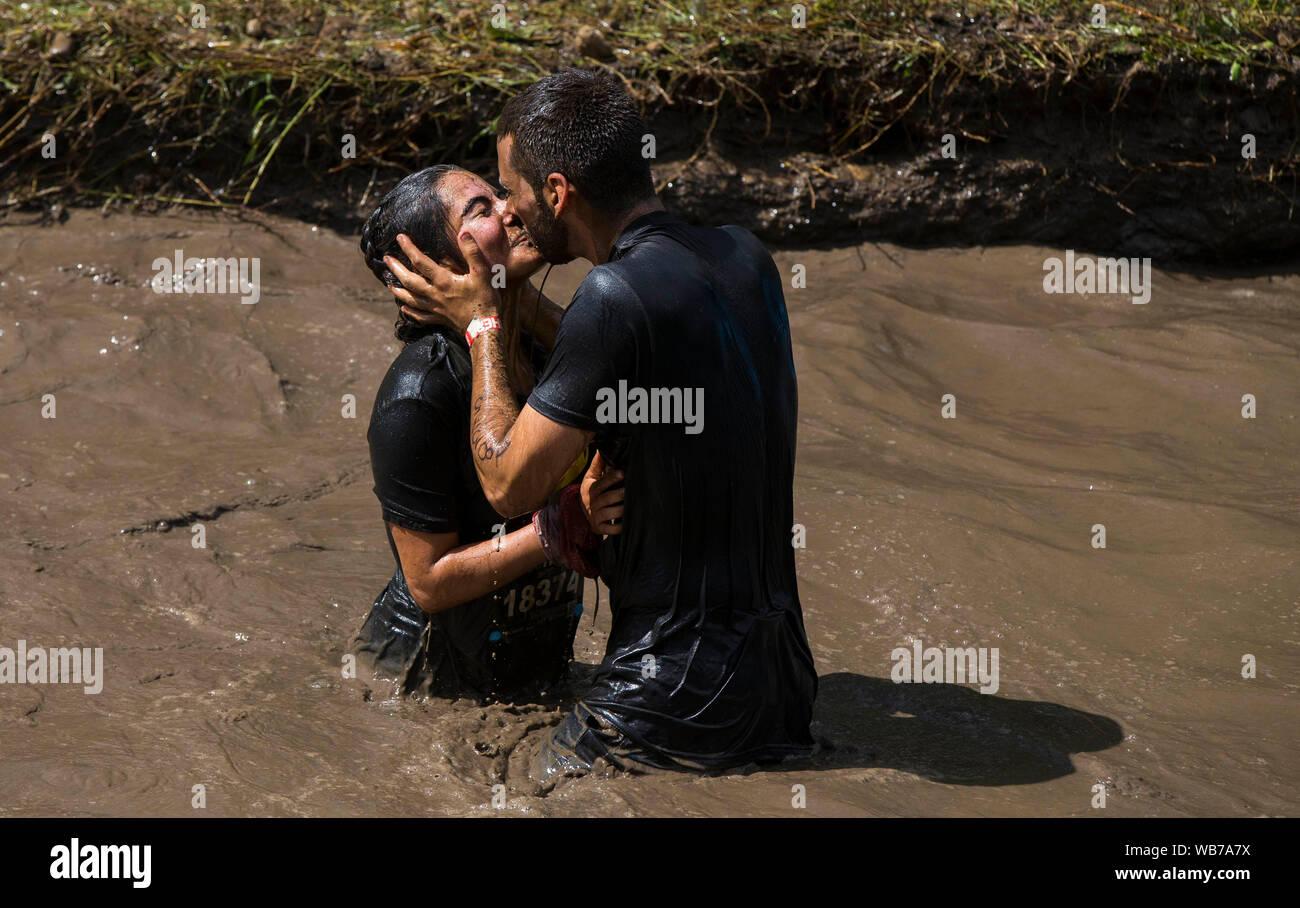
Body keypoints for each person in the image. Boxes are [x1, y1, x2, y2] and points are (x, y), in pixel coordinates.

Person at [385, 69, 818, 778]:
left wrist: (486, 320)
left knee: (511, 793)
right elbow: (630, 356)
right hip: (784, 684)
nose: (511, 214)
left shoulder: (610, 296)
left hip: (667, 693)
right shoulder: (746, 258)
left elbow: (506, 481)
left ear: (557, 194)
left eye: (513, 191)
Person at [354, 164, 625, 702]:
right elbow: (427, 582)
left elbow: (621, 374)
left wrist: (503, 307)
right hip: (424, 685)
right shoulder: (419, 392)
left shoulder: (545, 349)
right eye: (481, 210)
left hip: (531, 669)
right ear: (435, 267)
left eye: (501, 193)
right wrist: (560, 527)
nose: (511, 208)